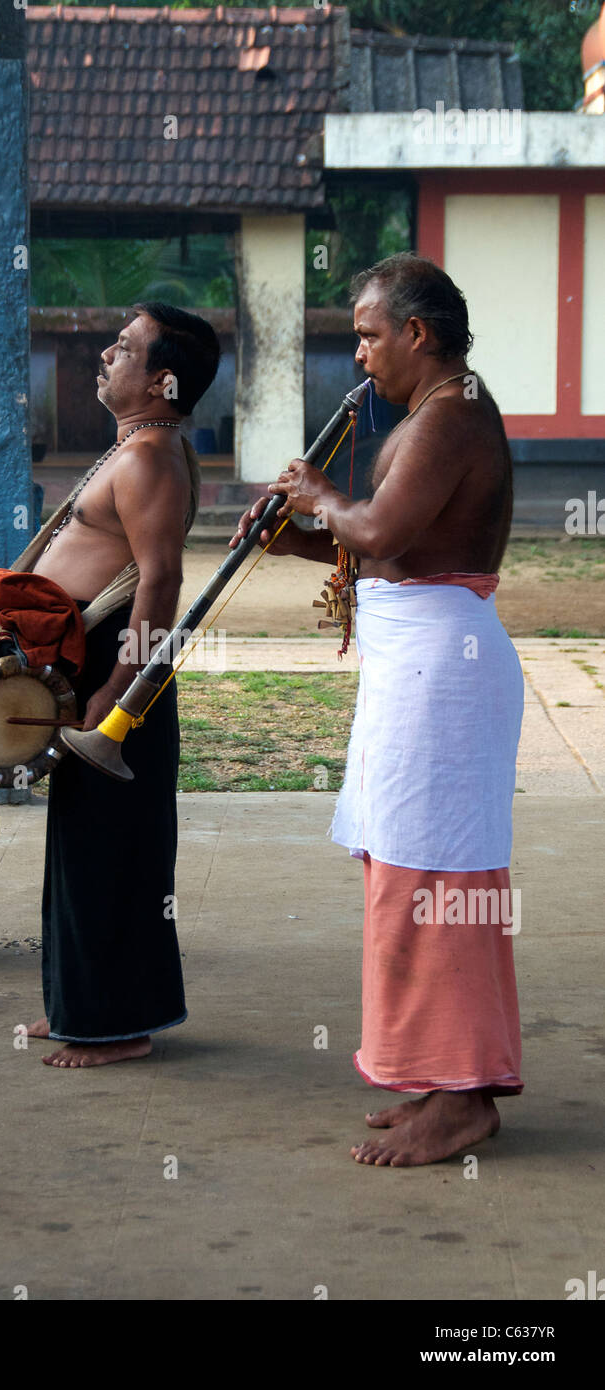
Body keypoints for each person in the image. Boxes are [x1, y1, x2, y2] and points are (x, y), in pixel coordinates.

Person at [231, 252, 524, 1165]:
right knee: (405, 873)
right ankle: (437, 1076)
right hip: (421, 666)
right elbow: (388, 549)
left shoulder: (453, 416)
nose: (359, 357)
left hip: (446, 668)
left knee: (438, 880)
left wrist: (319, 496)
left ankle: (466, 1093)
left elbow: (385, 531)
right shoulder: (435, 414)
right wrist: (301, 542)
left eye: (366, 335)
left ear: (416, 334)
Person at [12, 303, 220, 1067]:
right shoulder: (135, 449)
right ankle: (85, 1005)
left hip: (116, 669)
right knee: (84, 840)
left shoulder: (150, 459)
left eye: (125, 348)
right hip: (90, 659)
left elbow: (161, 580)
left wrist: (121, 692)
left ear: (163, 381)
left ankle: (115, 1028)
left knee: (112, 846)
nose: (106, 354)